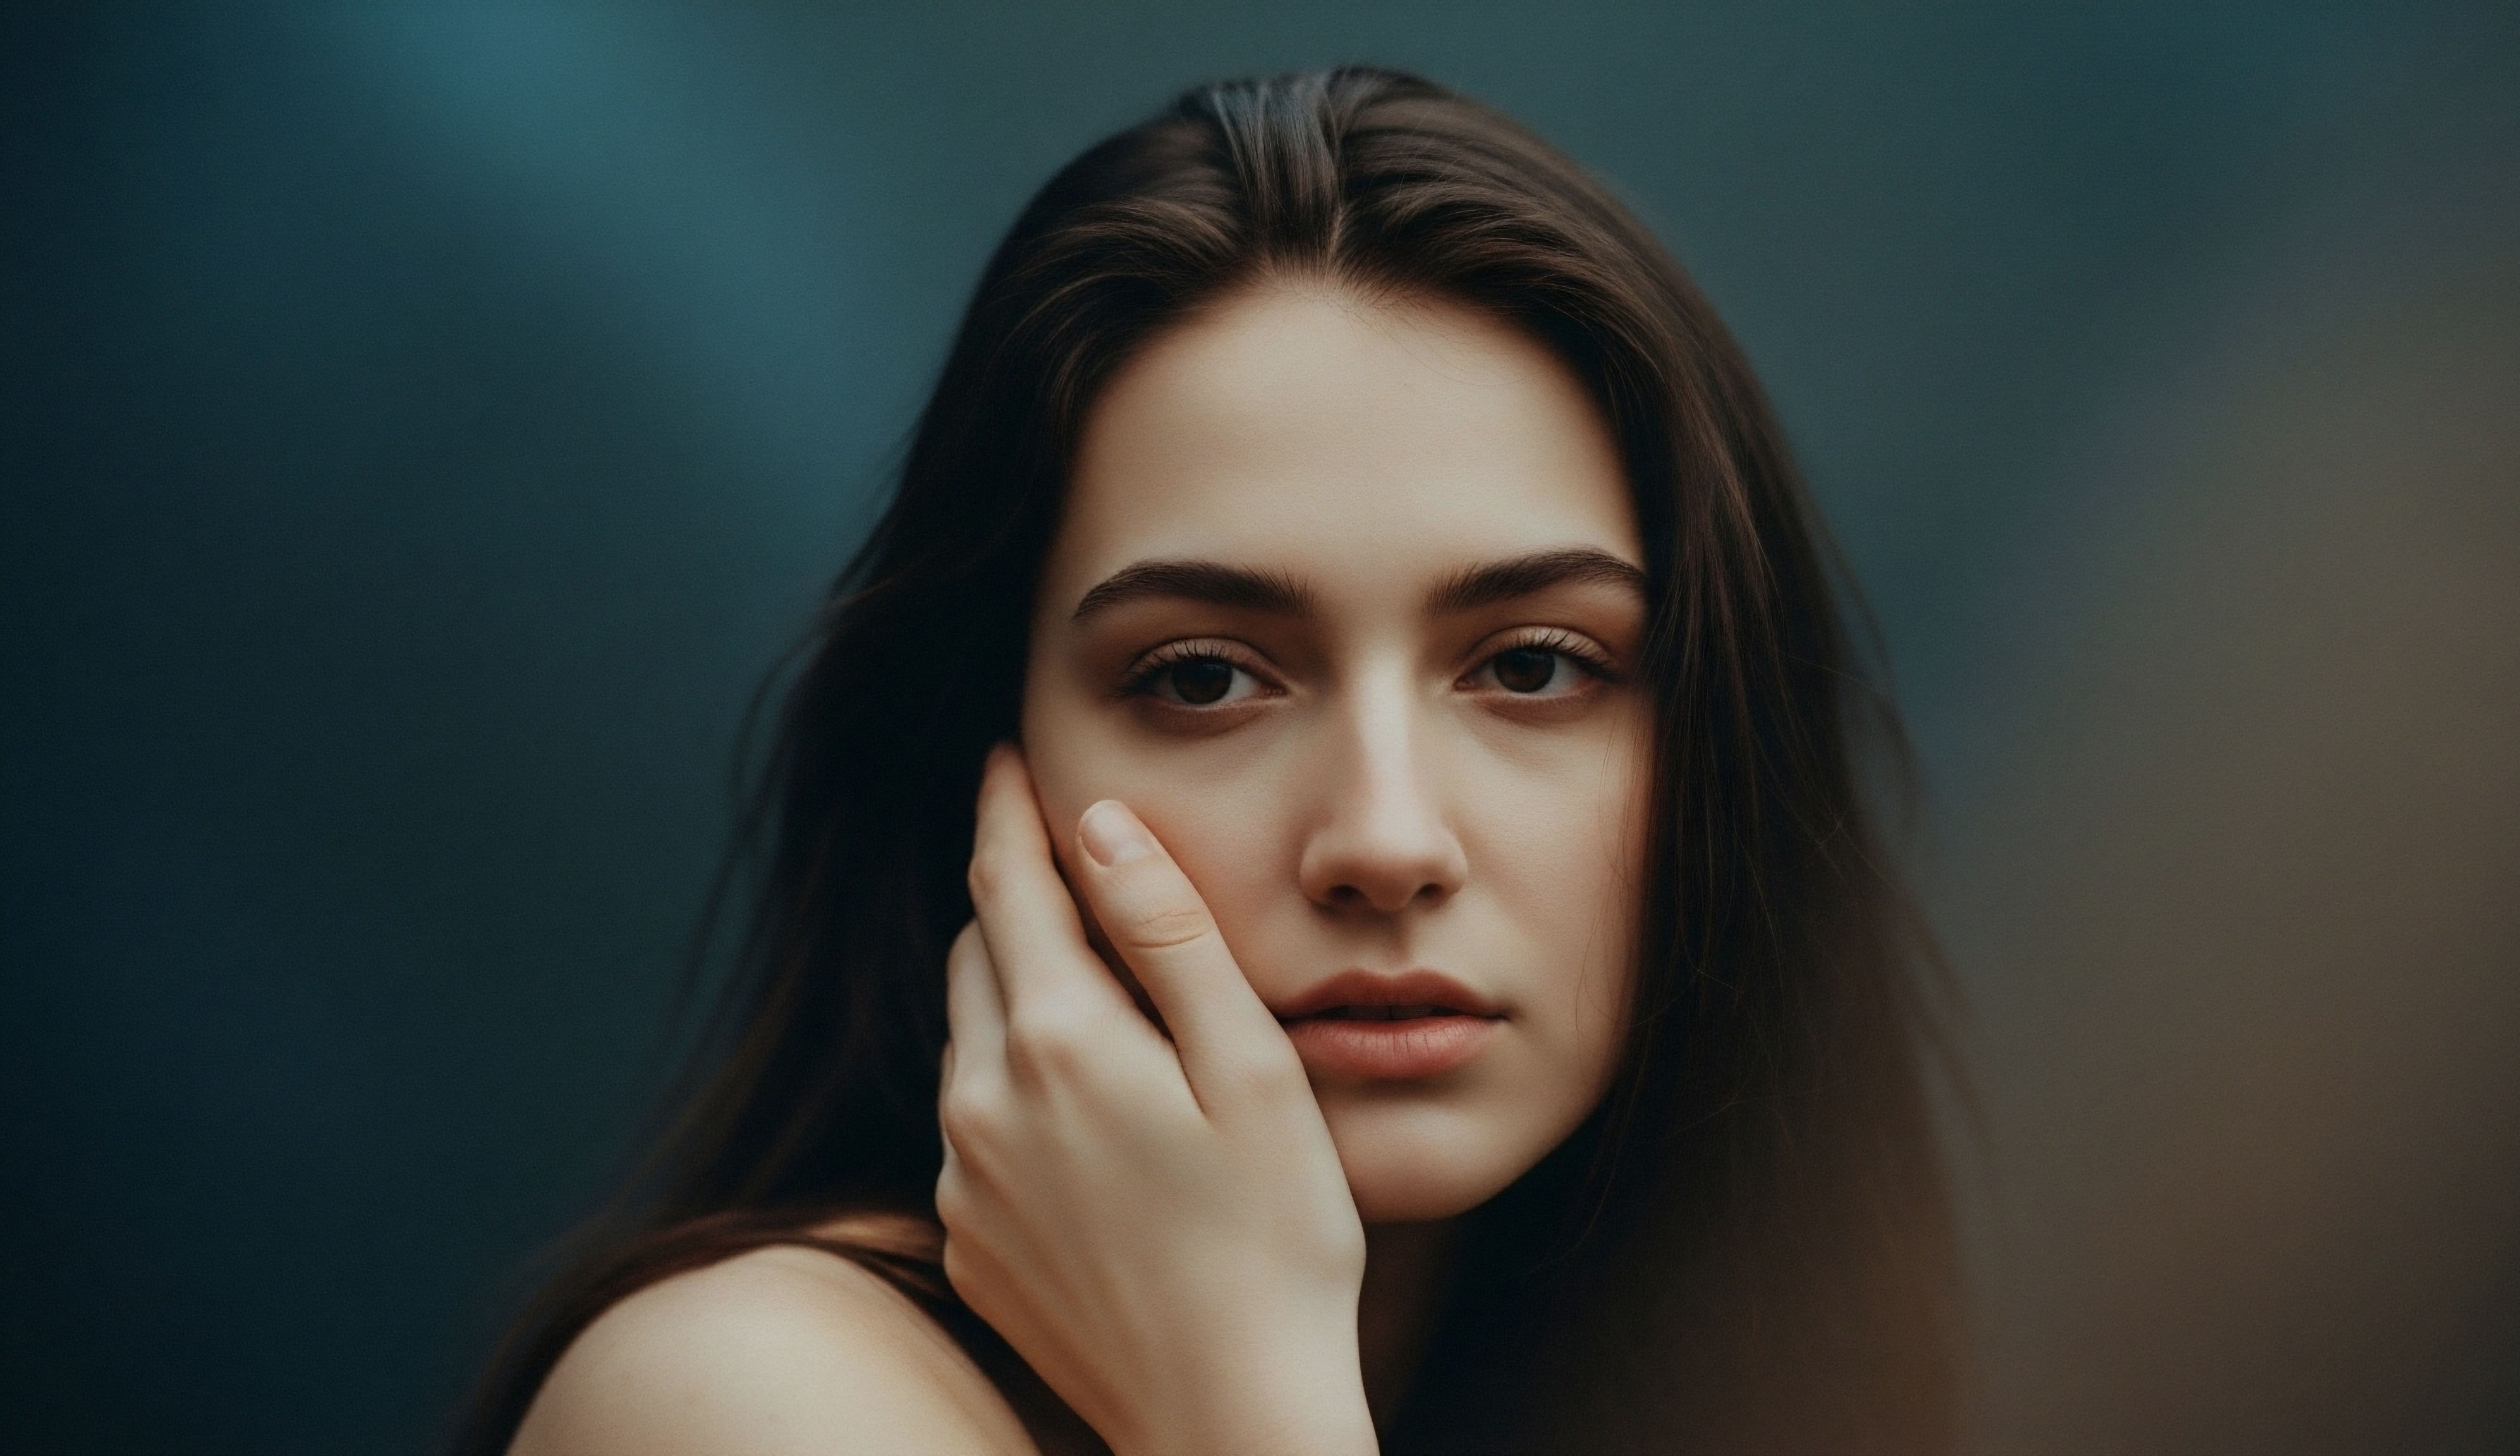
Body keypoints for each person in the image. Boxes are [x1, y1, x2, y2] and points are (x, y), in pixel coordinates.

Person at [456, 66, 1957, 1456]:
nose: (1382, 839)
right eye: (1203, 678)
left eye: (1532, 667)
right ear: (995, 769)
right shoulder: (747, 1398)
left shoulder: (1717, 1392)